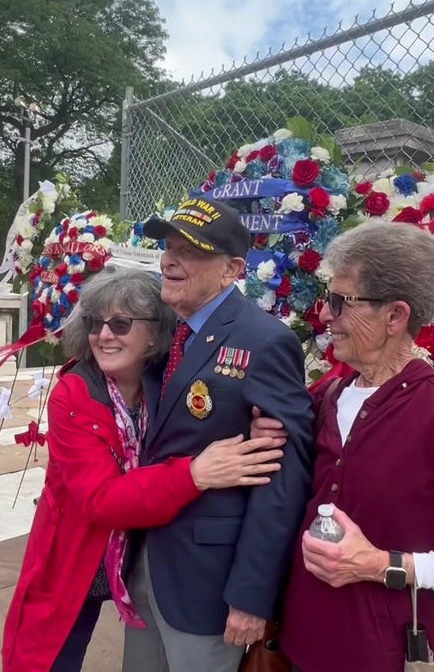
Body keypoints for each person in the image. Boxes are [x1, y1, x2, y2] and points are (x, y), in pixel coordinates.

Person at [251, 220, 434, 671]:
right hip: (300, 644)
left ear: (395, 316)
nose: (326, 315)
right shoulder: (326, 397)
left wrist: (385, 565)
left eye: (342, 302)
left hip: (384, 655)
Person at [2, 269, 290, 672]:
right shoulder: (75, 394)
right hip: (78, 550)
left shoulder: (166, 382)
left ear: (154, 333)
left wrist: (254, 427)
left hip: (141, 555)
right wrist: (194, 475)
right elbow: (102, 499)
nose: (104, 335)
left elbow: (206, 419)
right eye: (94, 323)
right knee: (47, 657)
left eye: (120, 324)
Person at [120, 198, 315, 672]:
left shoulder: (265, 340)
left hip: (208, 581)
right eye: (168, 247)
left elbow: (283, 481)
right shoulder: (167, 329)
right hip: (144, 559)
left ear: (231, 269)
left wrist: (251, 596)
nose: (169, 260)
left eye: (189, 251)